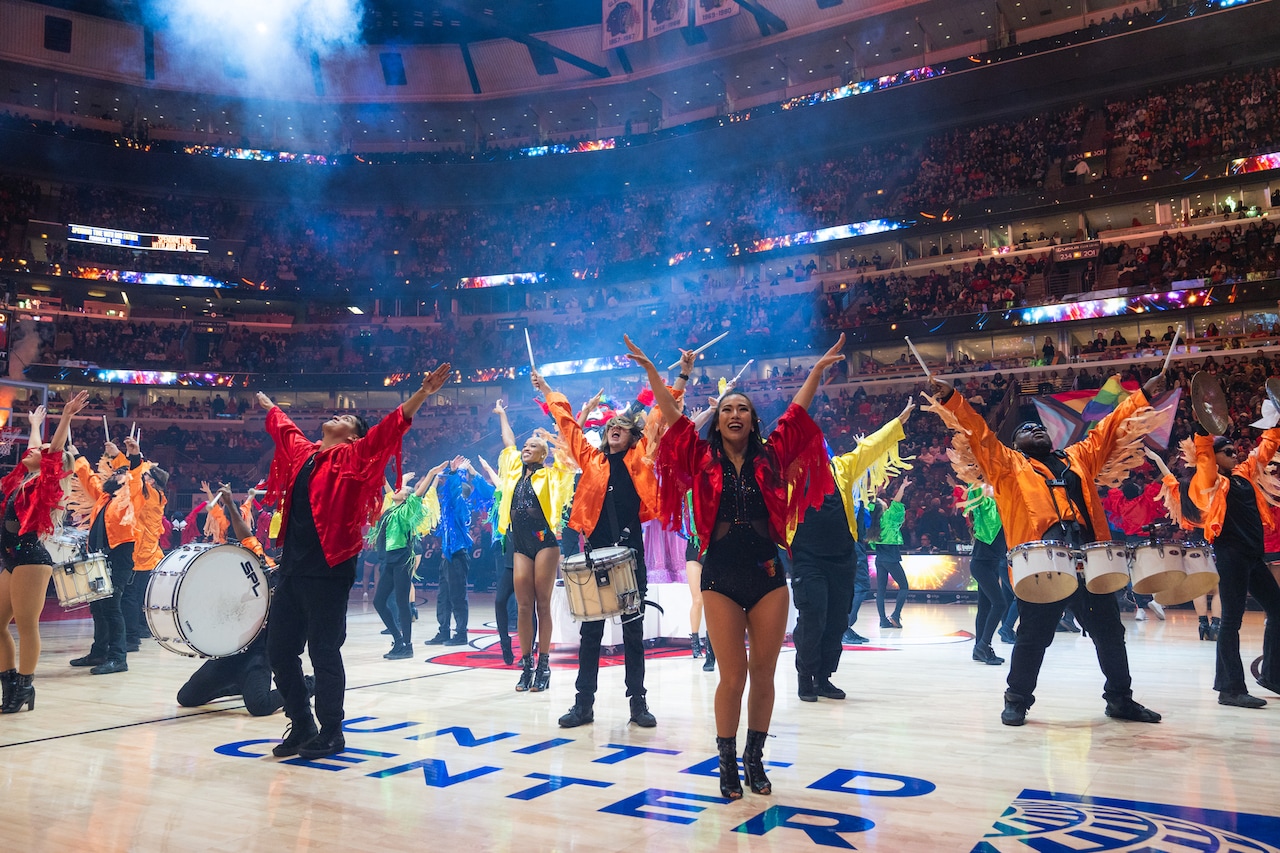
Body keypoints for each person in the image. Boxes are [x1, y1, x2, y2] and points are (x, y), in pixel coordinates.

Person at [632, 333, 843, 799]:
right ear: (719, 419)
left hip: (768, 573)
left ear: (752, 419)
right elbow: (671, 416)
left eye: (742, 409)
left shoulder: (773, 453)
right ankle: (726, 762)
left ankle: (754, 758)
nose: (734, 414)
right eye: (727, 408)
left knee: (764, 675)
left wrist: (815, 372)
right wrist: (653, 374)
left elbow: (797, 413)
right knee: (733, 677)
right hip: (721, 574)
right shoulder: (699, 455)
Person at [923, 369, 1167, 727]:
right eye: (1026, 429)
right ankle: (1016, 700)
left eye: (1039, 428)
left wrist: (1142, 395)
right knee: (1033, 637)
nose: (1035, 429)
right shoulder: (1007, 464)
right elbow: (979, 433)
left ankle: (1120, 700)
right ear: (1015, 443)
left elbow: (1109, 428)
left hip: (1088, 560)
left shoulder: (1078, 458)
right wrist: (951, 399)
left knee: (1111, 634)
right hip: (1041, 563)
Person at [258, 361, 452, 761]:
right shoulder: (306, 454)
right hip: (292, 568)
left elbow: (389, 429)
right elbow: (287, 431)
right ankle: (302, 724)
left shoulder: (354, 456)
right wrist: (271, 407)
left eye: (346, 418)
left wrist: (422, 393)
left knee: (323, 651)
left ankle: (332, 731)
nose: (336, 415)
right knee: (279, 651)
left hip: (329, 569)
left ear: (353, 436)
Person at [535, 364, 665, 730]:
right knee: (590, 633)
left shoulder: (639, 458)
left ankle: (638, 703)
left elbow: (659, 417)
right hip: (593, 555)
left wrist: (680, 379)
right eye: (610, 427)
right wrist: (546, 390)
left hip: (630, 554)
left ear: (632, 436)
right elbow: (567, 425)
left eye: (621, 427)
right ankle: (583, 704)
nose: (613, 429)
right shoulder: (591, 460)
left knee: (633, 632)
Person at [791, 400, 913, 702]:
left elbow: (870, 448)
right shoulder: (790, 474)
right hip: (807, 559)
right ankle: (805, 677)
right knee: (813, 617)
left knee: (837, 620)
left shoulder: (841, 468)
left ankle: (824, 678)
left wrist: (897, 422)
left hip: (842, 557)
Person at [177, 485, 299, 716]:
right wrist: (231, 504)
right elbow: (245, 534)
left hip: (258, 655)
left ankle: (307, 685)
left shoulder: (294, 586)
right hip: (231, 650)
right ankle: (236, 686)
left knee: (259, 706)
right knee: (186, 697)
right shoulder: (263, 564)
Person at [0, 394, 88, 712]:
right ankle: (9, 684)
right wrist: (35, 425)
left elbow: (51, 453)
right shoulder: (28, 480)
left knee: (26, 625)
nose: (32, 451)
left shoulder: (45, 483)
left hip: (31, 559)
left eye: (40, 452)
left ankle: (24, 687)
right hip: (12, 558)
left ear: (51, 463)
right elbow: (37, 451)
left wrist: (65, 417)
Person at [1188, 428, 1280, 707]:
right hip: (1231, 555)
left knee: (1277, 609)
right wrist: (1204, 433)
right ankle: (1229, 689)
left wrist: (1276, 425)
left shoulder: (1242, 475)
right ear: (1213, 457)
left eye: (1234, 451)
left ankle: (1272, 676)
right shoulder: (1211, 481)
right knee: (1231, 621)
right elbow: (1204, 457)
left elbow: (1262, 453)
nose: (1234, 454)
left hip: (1252, 556)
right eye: (1227, 452)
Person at [491, 399, 573, 692]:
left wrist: (571, 419)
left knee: (542, 604)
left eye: (533, 446)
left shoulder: (551, 474)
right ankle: (526, 666)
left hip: (544, 541)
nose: (526, 448)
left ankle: (544, 666)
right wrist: (503, 414)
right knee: (523, 605)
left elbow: (567, 448)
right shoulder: (514, 470)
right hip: (520, 542)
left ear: (543, 453)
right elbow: (508, 441)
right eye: (526, 445)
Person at [69, 435, 141, 675]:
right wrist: (77, 456)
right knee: (98, 608)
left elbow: (136, 479)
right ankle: (99, 652)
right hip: (98, 559)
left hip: (118, 559)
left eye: (118, 473)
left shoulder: (130, 499)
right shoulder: (104, 497)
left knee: (111, 608)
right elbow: (88, 478)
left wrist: (133, 457)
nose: (113, 475)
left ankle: (118, 658)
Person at [370, 466, 439, 660]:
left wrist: (431, 474)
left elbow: (417, 494)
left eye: (399, 490)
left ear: (406, 497)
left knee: (402, 602)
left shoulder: (407, 510)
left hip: (402, 559)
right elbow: (390, 491)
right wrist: (403, 480)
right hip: (389, 560)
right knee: (378, 602)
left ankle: (407, 646)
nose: (395, 491)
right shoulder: (391, 510)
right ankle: (398, 639)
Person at [425, 456, 494, 647]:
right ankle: (444, 631)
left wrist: (456, 473)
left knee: (457, 596)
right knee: (443, 596)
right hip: (447, 555)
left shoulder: (461, 505)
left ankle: (461, 633)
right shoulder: (449, 508)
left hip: (458, 554)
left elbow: (454, 493)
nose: (446, 490)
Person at [963, 483, 1009, 665]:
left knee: (984, 608)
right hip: (981, 565)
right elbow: (976, 488)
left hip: (991, 565)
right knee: (1000, 604)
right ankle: (984, 645)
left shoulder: (1001, 512)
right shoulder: (986, 513)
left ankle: (979, 649)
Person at [874, 477, 911, 629]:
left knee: (881, 591)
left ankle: (883, 620)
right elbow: (896, 502)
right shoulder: (887, 518)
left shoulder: (875, 522)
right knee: (904, 586)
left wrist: (876, 492)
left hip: (879, 557)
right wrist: (902, 487)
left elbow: (870, 503)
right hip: (890, 556)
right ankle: (895, 615)